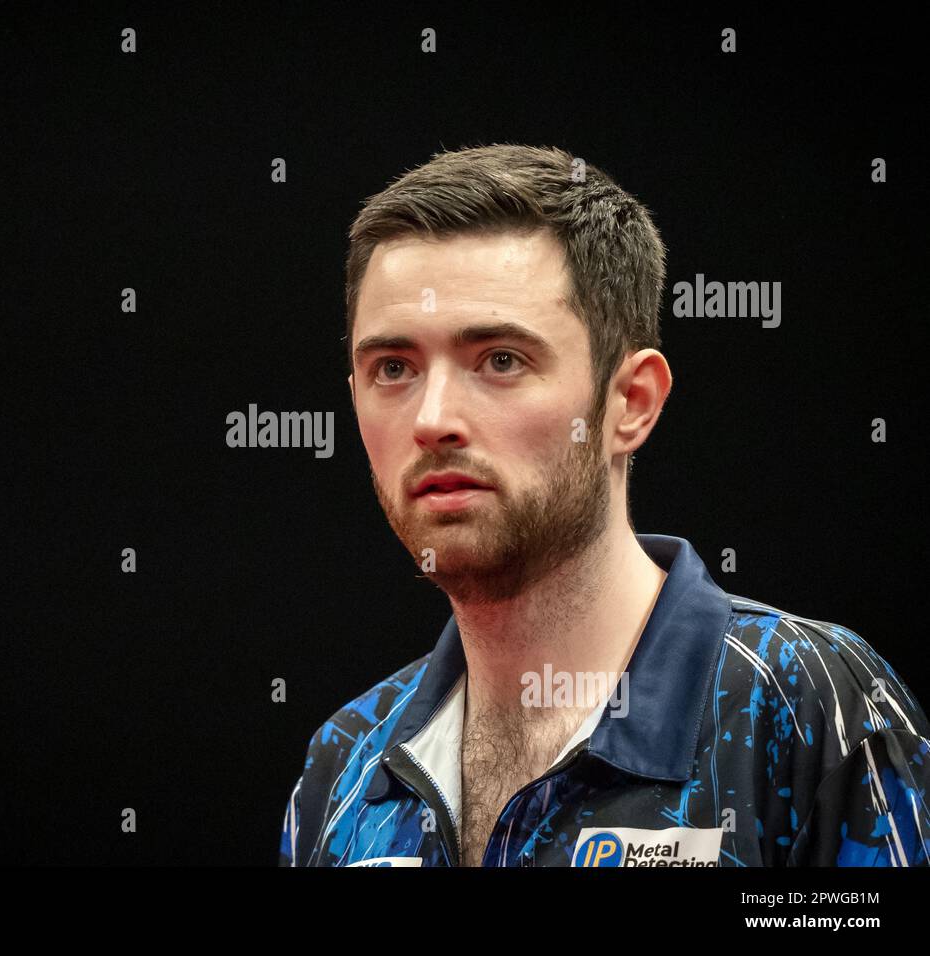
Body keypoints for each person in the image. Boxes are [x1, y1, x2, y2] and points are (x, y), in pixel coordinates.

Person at [279, 144, 929, 867]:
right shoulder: (344, 764)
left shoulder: (811, 705)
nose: (432, 419)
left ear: (630, 402)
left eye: (500, 360)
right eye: (393, 368)